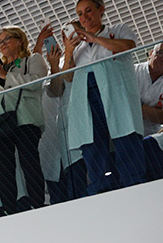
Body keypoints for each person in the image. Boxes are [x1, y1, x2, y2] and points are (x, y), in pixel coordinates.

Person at [61, 0, 144, 195]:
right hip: (86, 96)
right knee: (92, 143)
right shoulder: (77, 46)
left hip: (115, 92)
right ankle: (102, 188)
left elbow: (128, 45)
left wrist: (94, 38)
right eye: (80, 14)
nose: (84, 17)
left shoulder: (117, 30)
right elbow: (67, 76)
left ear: (101, 10)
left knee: (125, 135)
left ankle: (134, 184)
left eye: (88, 11)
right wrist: (69, 52)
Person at [0, 26, 50, 215]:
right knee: (4, 170)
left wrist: (5, 76)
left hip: (25, 120)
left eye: (7, 39)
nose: (3, 44)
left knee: (30, 162)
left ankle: (38, 205)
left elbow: (36, 81)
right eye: (0, 42)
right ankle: (10, 212)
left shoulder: (33, 60)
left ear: (20, 40)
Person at [135, 35, 163, 136]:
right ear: (151, 54)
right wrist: (150, 112)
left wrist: (137, 107)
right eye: (160, 52)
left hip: (153, 135)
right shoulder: (133, 71)